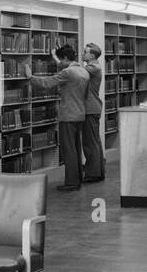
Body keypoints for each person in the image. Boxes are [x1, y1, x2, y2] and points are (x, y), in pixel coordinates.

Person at [26, 45, 90, 191]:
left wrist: (30, 77)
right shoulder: (84, 71)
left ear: (66, 58)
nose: (60, 62)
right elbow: (86, 95)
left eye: (61, 59)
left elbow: (48, 83)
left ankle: (71, 183)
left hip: (68, 115)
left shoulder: (68, 72)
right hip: (80, 113)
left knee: (68, 150)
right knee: (76, 148)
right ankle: (78, 178)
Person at [80, 43, 106, 182]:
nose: (83, 54)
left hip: (90, 108)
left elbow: (75, 73)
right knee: (95, 141)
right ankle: (98, 172)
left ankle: (92, 174)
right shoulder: (93, 66)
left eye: (85, 52)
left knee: (90, 143)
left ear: (92, 55)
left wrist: (58, 60)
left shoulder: (93, 67)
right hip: (92, 107)